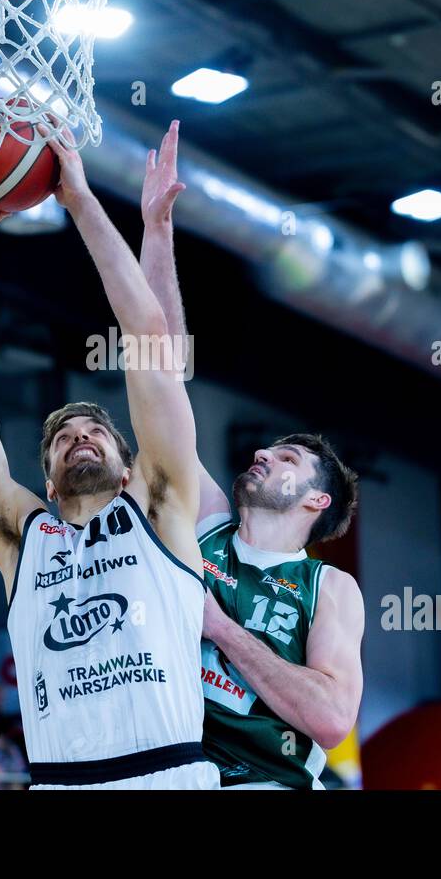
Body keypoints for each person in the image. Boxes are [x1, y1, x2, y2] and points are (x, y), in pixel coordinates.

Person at [0, 141, 215, 789]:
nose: (79, 436)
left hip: (167, 775)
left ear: (129, 465)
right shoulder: (19, 537)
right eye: (62, 438)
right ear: (48, 483)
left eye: (95, 432)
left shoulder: (163, 508)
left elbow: (149, 342)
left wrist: (80, 200)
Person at [139, 121, 366, 789]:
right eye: (271, 449)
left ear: (317, 501)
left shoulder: (329, 589)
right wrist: (158, 231)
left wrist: (224, 631)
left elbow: (331, 718)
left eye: (290, 458)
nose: (266, 453)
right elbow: (160, 375)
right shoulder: (209, 520)